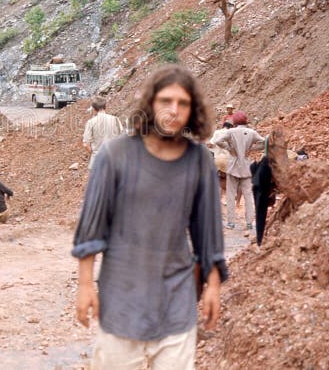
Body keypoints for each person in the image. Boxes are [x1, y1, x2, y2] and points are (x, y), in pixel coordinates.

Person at [72, 65, 228, 369]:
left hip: (176, 297)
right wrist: (85, 284)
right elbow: (92, 226)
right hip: (121, 296)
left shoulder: (199, 161)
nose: (174, 110)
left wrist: (212, 285)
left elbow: (208, 233)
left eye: (183, 103)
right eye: (166, 101)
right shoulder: (115, 155)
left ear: (193, 110)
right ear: (150, 104)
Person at [212, 110, 266, 230]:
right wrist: (252, 149)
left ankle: (231, 223)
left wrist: (229, 148)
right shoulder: (252, 132)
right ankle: (249, 223)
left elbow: (217, 141)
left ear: (235, 121)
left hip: (233, 166)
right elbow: (264, 142)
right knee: (248, 195)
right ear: (245, 121)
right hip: (246, 166)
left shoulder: (231, 132)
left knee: (230, 195)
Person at [82, 96, 124, 169]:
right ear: (105, 106)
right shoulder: (115, 119)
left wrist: (93, 153)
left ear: (94, 108)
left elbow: (86, 144)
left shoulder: (90, 122)